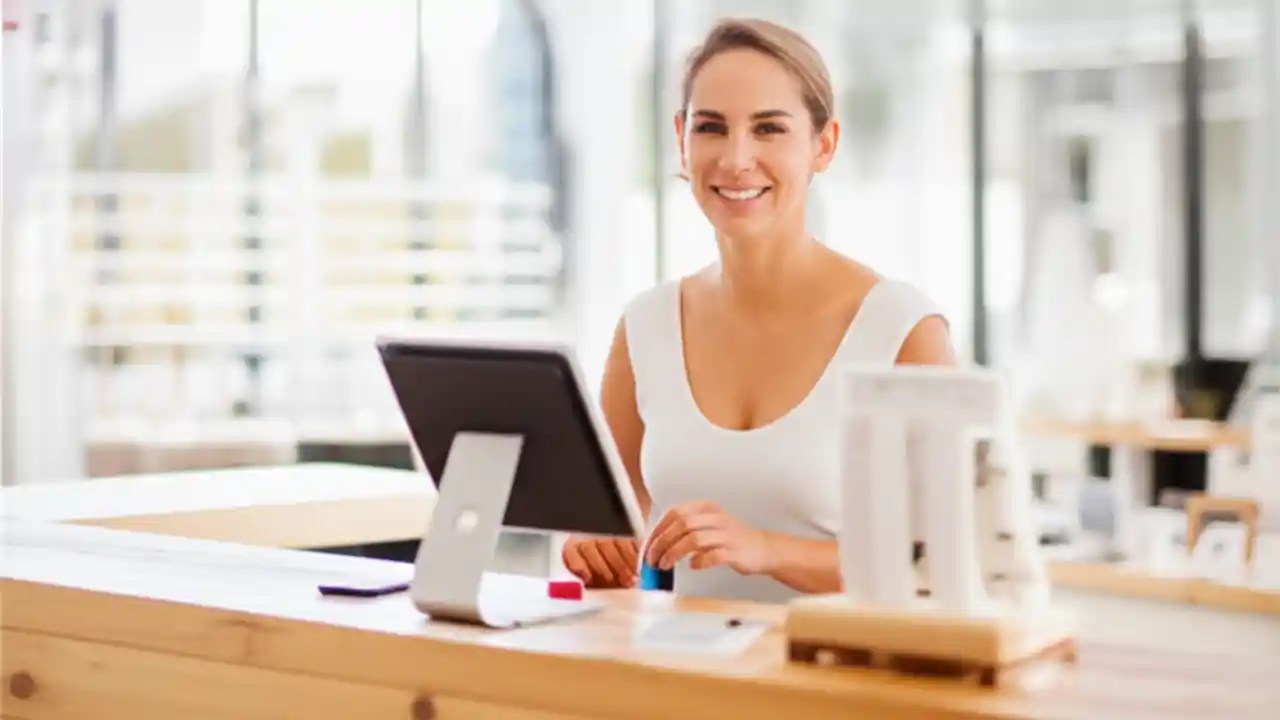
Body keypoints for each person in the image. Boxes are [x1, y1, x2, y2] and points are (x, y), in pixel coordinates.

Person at [561, 17, 955, 602]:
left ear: (824, 145)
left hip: (837, 679)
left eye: (769, 129)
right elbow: (610, 527)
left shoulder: (902, 331)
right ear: (681, 139)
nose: (736, 159)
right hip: (683, 677)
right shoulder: (645, 327)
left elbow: (946, 565)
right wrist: (589, 546)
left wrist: (768, 550)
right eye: (711, 128)